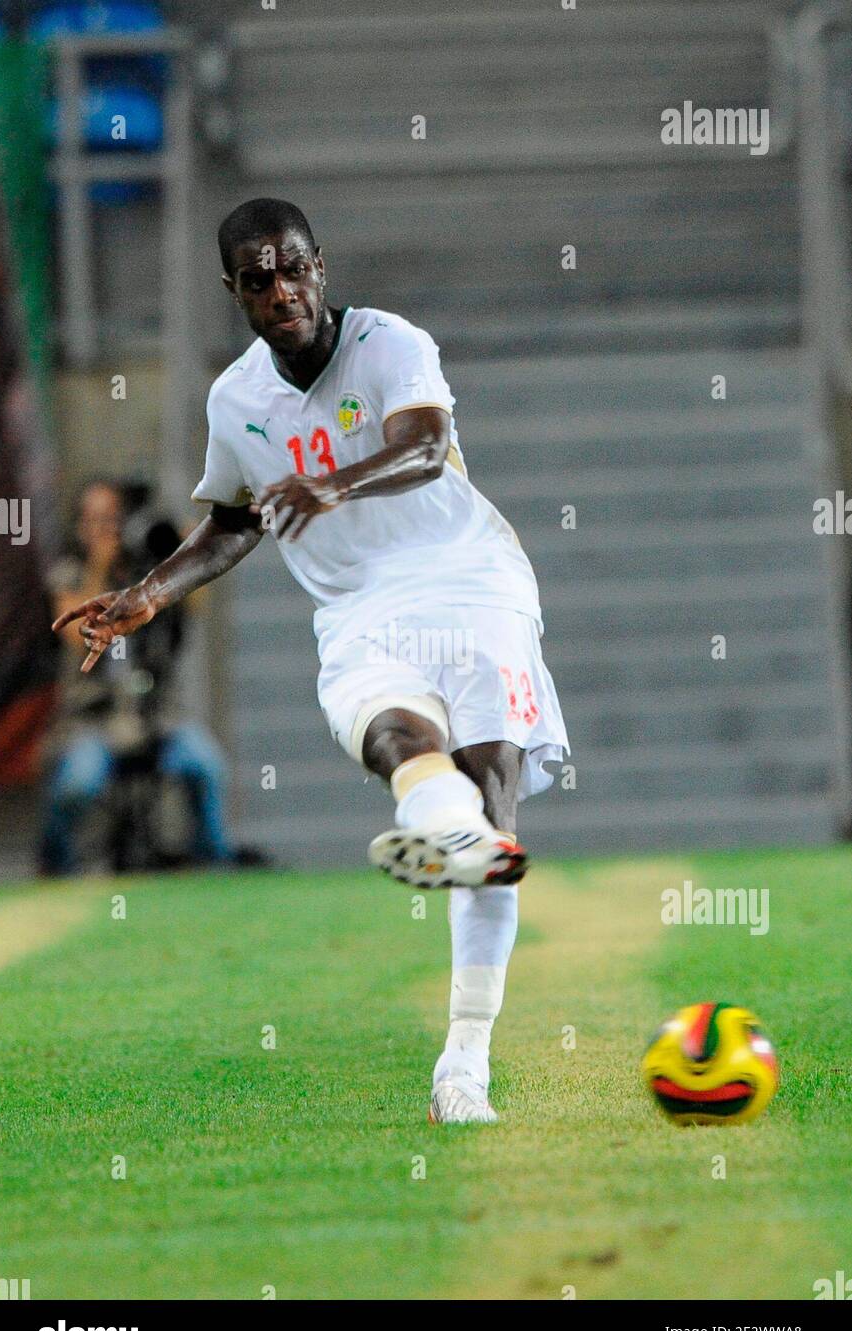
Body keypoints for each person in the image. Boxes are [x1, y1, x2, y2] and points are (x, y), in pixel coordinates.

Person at [52, 199, 570, 1123]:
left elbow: (419, 447)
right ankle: (447, 830)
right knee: (399, 743)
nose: (281, 291)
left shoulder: (388, 343)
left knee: (492, 808)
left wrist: (329, 482)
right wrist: (148, 594)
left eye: (294, 269)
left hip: (471, 583)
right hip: (360, 610)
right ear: (233, 292)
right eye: (258, 279)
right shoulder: (236, 399)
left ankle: (464, 1066)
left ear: (319, 266)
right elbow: (236, 519)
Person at [41, 479, 234, 874]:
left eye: (112, 519)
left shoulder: (146, 574)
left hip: (157, 718)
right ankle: (55, 867)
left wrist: (186, 557)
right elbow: (79, 639)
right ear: (79, 525)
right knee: (79, 783)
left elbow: (196, 603)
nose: (105, 529)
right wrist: (99, 566)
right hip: (92, 721)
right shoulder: (70, 572)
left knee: (206, 766)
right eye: (94, 520)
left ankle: (216, 866)